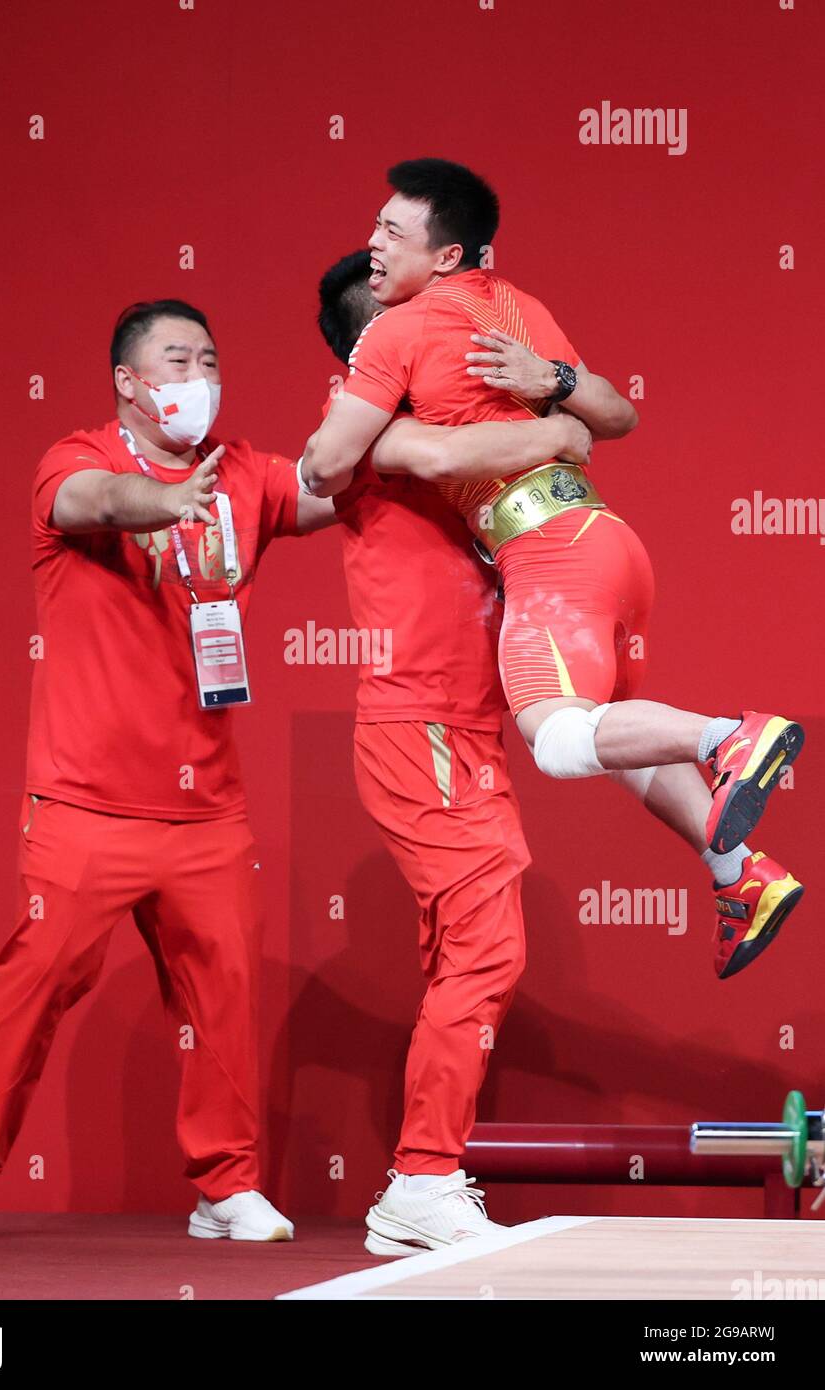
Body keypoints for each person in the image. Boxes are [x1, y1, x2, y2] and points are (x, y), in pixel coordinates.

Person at [301, 160, 804, 994]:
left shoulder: (392, 334)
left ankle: (726, 738)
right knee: (616, 736)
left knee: (562, 743)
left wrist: (364, 428)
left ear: (449, 255)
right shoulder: (520, 308)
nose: (375, 241)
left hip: (548, 555)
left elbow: (324, 466)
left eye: (393, 231)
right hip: (606, 538)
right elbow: (610, 418)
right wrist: (560, 417)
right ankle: (740, 877)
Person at [0, 298, 341, 1241]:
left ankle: (225, 1188)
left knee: (225, 1002)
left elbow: (331, 492)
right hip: (85, 803)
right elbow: (98, 506)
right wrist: (168, 500)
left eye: (207, 358)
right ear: (128, 382)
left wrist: (398, 443)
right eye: (174, 360)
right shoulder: (76, 462)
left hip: (206, 815)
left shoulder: (244, 473)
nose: (195, 376)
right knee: (34, 985)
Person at [313, 251, 596, 1256]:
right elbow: (440, 460)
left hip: (463, 718)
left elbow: (579, 443)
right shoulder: (379, 424)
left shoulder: (438, 420)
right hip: (417, 717)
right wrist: (562, 422)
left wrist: (563, 406)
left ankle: (428, 1175)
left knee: (461, 950)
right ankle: (421, 1176)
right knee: (487, 944)